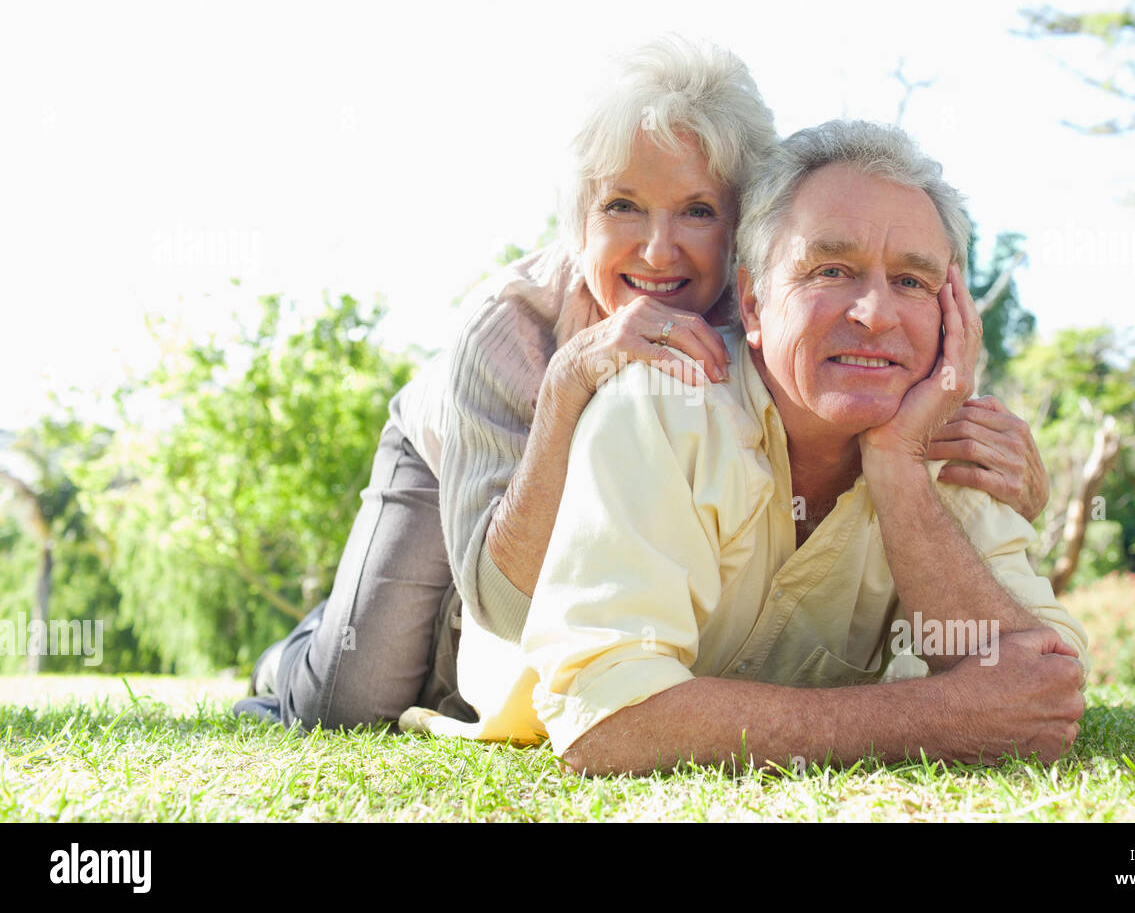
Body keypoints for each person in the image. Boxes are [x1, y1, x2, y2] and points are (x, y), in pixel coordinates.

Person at [236, 38, 1052, 731]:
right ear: (581, 219)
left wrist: (1014, 477)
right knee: (354, 692)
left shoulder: (774, 306)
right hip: (451, 472)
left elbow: (875, 351)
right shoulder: (507, 331)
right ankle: (294, 655)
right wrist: (570, 382)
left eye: (697, 211)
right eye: (623, 206)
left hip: (562, 557)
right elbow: (508, 610)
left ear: (744, 233)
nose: (659, 253)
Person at [401, 120, 1088, 774]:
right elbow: (606, 719)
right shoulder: (659, 406)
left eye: (911, 281)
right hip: (484, 632)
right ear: (753, 304)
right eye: (831, 270)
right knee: (343, 694)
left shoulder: (948, 437)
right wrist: (931, 719)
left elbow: (1043, 686)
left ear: (953, 313)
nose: (875, 314)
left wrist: (898, 467)